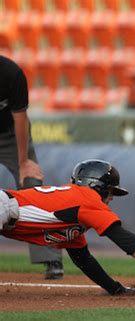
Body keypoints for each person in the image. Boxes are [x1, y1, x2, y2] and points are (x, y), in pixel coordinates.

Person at [0, 159, 135, 294]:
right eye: (110, 192)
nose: (111, 198)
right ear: (97, 187)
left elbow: (83, 259)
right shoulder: (87, 199)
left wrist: (116, 290)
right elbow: (128, 242)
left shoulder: (76, 215)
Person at [0, 55, 64, 280]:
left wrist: (24, 162)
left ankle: (51, 258)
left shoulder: (10, 73)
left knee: (32, 186)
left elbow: (20, 119)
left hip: (10, 136)